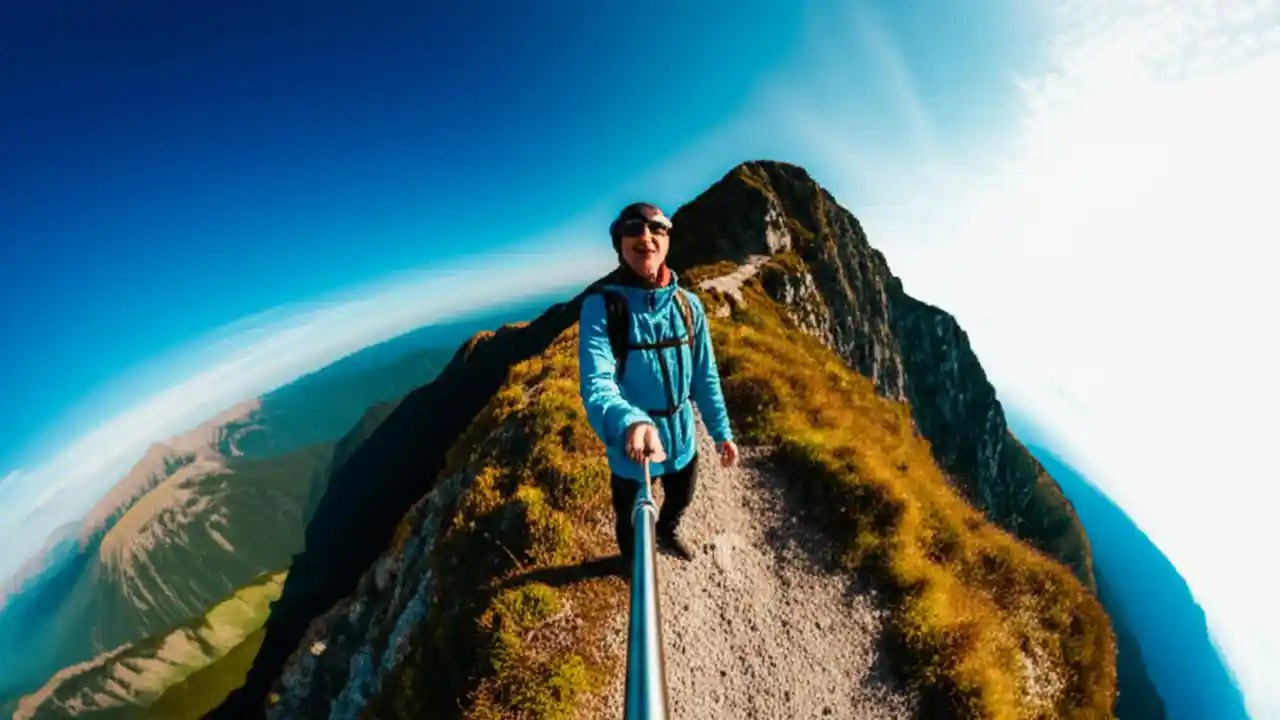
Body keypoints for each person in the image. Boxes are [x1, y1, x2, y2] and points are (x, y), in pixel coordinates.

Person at [578, 201, 739, 571]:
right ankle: (632, 563)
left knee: (681, 497)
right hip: (632, 446)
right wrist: (631, 421)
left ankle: (668, 529)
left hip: (682, 436)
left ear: (667, 240)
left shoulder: (689, 306)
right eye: (633, 230)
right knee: (630, 518)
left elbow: (704, 375)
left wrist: (721, 432)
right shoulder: (601, 308)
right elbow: (597, 383)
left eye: (656, 230)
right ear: (619, 243)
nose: (645, 237)